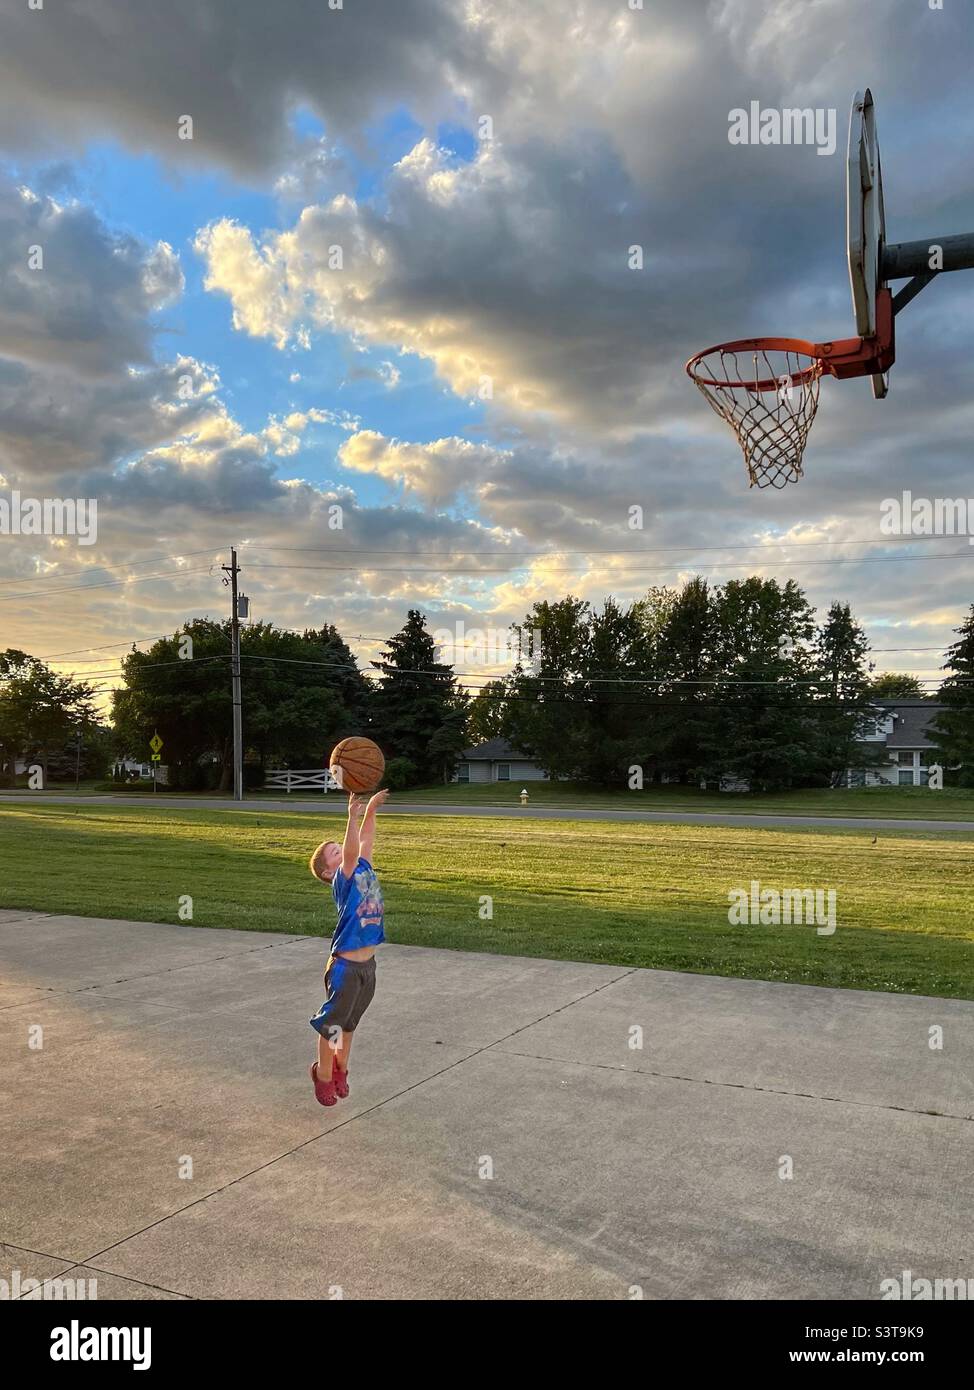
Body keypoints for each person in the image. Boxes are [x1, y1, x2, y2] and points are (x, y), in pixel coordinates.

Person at [306, 789, 388, 1105]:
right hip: (345, 966)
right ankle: (323, 1075)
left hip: (367, 965)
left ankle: (342, 1069)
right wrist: (351, 817)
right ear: (329, 871)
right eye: (335, 852)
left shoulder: (363, 867)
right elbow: (354, 849)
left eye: (339, 848)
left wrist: (369, 811)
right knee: (332, 1027)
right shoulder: (344, 877)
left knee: (349, 1024)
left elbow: (364, 840)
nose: (342, 851)